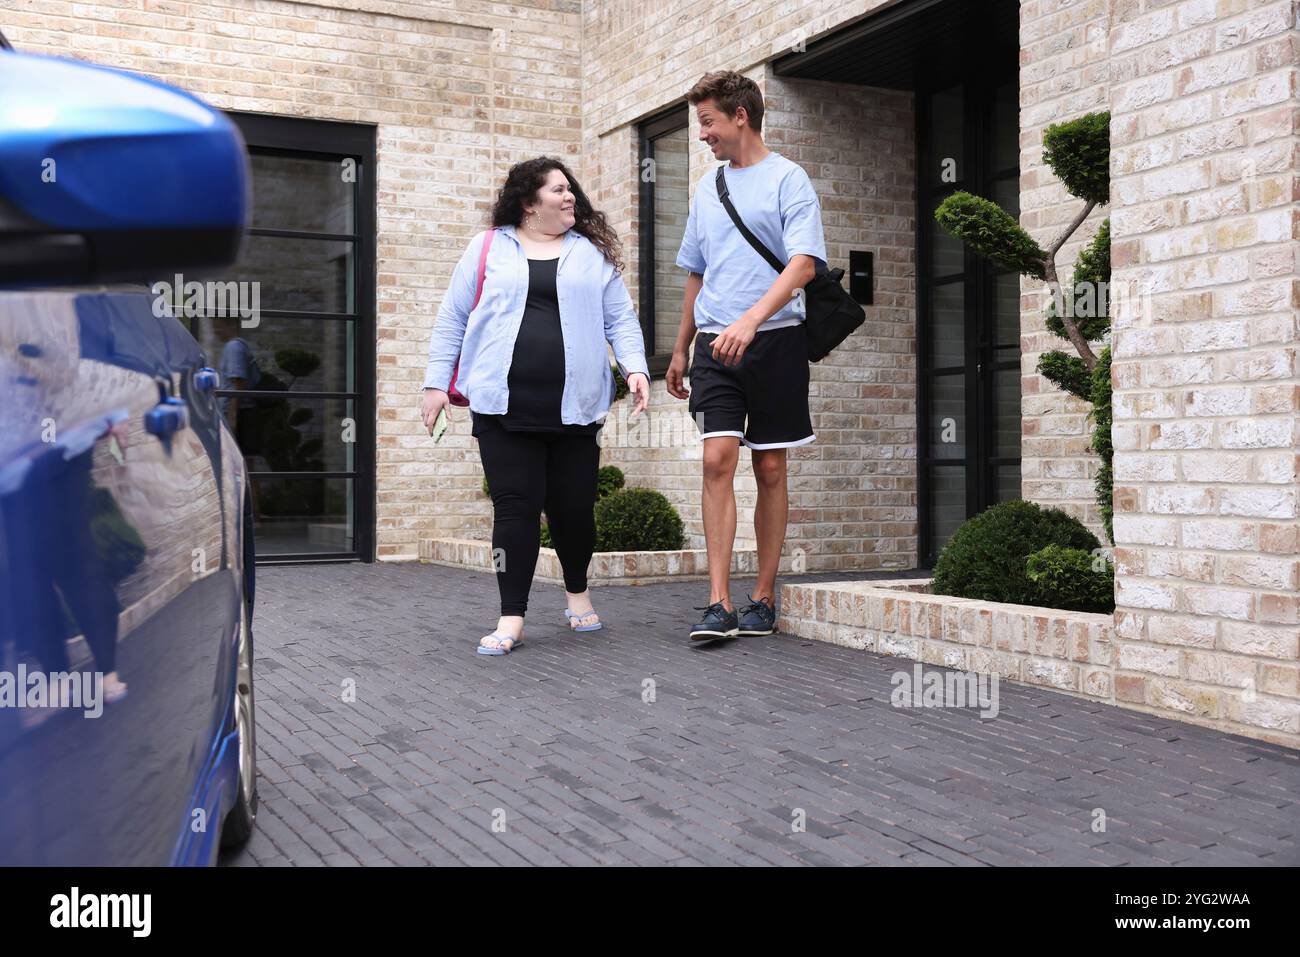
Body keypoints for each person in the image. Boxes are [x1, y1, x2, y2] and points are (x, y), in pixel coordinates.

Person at [422, 157, 650, 656]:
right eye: (558, 190)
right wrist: (436, 384)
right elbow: (452, 318)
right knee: (515, 510)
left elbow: (621, 320)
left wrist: (634, 367)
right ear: (529, 202)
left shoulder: (590, 254)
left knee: (573, 512)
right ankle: (511, 617)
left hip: (576, 407)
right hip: (502, 407)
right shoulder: (486, 248)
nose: (570, 197)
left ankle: (577, 592)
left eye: (570, 190)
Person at [666, 71, 827, 642]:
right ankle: (718, 602)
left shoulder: (789, 179)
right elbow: (696, 271)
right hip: (714, 345)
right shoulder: (709, 188)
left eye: (707, 121)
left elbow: (804, 264)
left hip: (777, 341)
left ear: (740, 115)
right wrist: (681, 346)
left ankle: (762, 596)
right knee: (717, 460)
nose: (702, 134)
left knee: (771, 466)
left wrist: (752, 320)